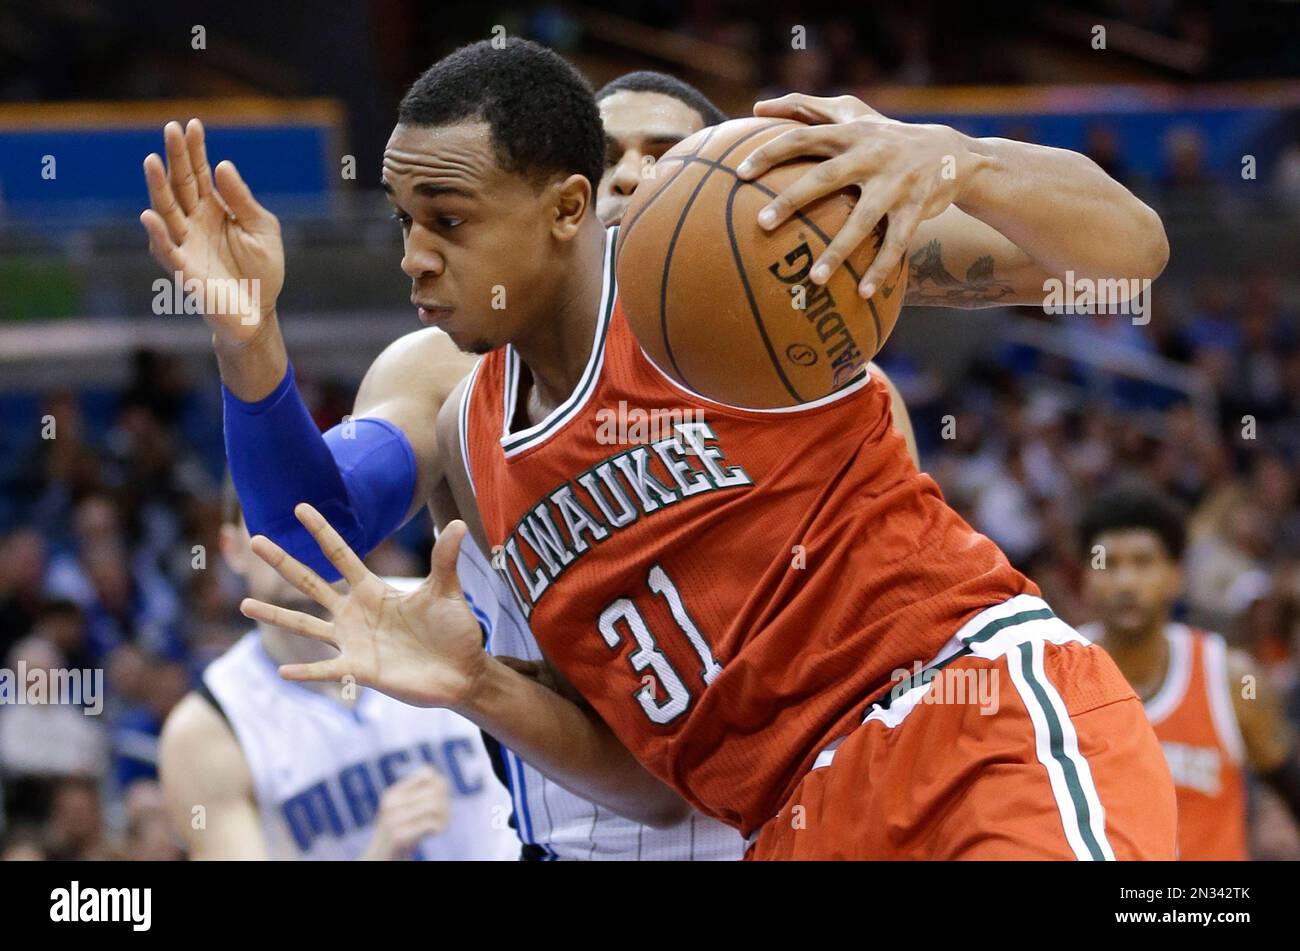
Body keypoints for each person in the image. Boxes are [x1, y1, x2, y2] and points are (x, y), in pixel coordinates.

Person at [142, 39, 1173, 859]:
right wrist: (249, 345)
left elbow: (1125, 259)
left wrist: (953, 156)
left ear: (569, 207)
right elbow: (300, 543)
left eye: (446, 219)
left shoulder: (764, 271)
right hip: (781, 817)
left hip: (958, 727)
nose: (414, 253)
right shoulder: (462, 412)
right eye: (405, 220)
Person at [156, 482, 516, 860]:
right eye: (269, 516)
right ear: (231, 548)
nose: (296, 535)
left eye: (315, 512)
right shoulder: (208, 727)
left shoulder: (453, 611)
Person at [1078, 487, 1300, 860]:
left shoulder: (1229, 678)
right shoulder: (1052, 678)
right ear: (1085, 578)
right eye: (1109, 564)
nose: (1126, 582)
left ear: (1176, 576)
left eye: (1143, 562)